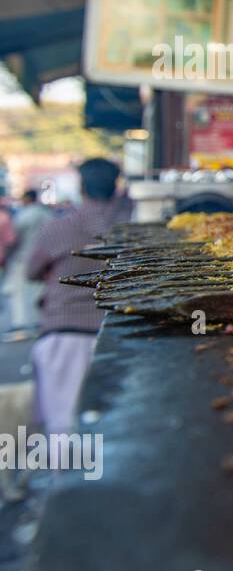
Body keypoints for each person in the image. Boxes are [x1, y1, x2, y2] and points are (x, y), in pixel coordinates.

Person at [26, 159, 132, 433]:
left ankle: (66, 476)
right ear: (115, 188)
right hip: (124, 333)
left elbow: (32, 271)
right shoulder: (132, 227)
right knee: (120, 429)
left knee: (65, 428)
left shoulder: (59, 228)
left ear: (82, 188)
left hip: (66, 333)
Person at [2, 190, 54, 336]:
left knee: (19, 291)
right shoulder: (46, 214)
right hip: (45, 255)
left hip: (23, 257)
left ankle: (22, 323)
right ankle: (39, 320)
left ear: (26, 199)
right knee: (39, 289)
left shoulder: (23, 216)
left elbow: (12, 239)